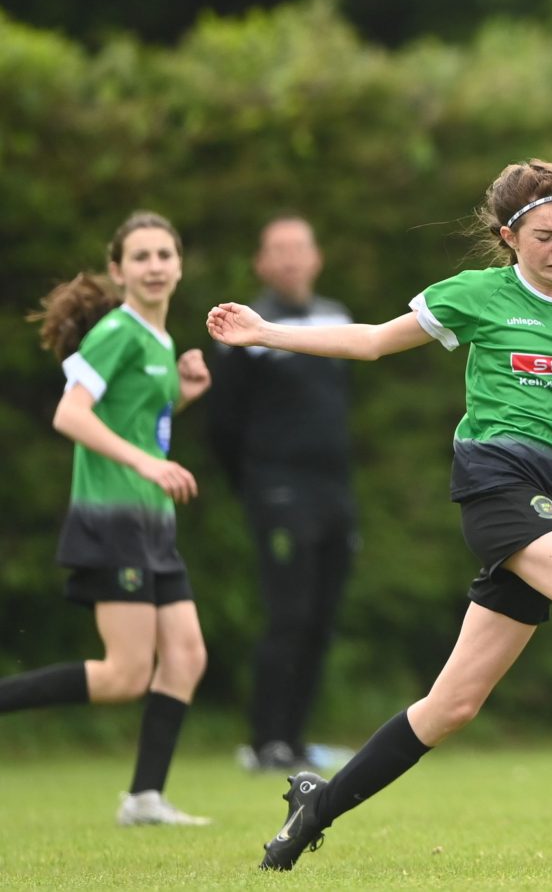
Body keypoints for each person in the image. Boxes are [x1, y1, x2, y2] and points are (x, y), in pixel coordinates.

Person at [207, 158, 552, 871]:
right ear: (511, 237)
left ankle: (313, 809)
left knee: (451, 706)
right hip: (496, 483)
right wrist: (267, 331)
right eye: (545, 236)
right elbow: (375, 341)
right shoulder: (476, 295)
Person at [4, 211, 211, 826]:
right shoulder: (119, 331)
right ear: (118, 271)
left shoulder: (158, 339)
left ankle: (145, 797)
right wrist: (148, 466)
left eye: (163, 255)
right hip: (113, 520)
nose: (154, 267)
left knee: (187, 656)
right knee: (124, 675)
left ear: (179, 265)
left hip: (152, 525)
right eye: (140, 257)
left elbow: (134, 419)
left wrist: (182, 391)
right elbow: (71, 415)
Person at [208, 215, 357, 772]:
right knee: (287, 615)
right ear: (262, 263)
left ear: (317, 257)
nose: (292, 259)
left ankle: (295, 742)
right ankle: (265, 740)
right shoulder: (244, 328)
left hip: (333, 491)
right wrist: (256, 484)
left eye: (301, 247)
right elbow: (223, 425)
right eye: (280, 250)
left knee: (321, 616)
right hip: (276, 489)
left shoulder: (337, 317)